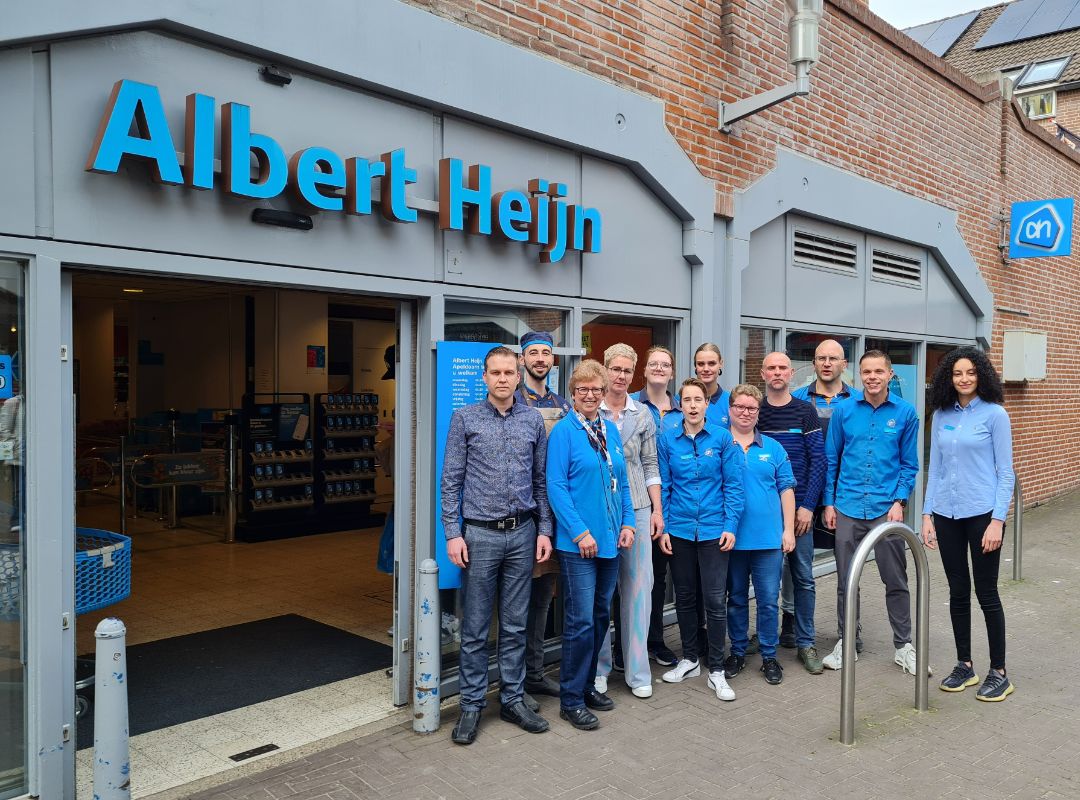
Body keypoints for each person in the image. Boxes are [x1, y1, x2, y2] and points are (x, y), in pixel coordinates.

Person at [441, 345, 553, 745]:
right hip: (480, 536)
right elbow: (450, 480)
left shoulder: (532, 419)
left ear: (518, 376)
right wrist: (453, 533)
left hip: (523, 533)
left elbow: (540, 481)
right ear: (484, 377)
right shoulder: (464, 418)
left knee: (515, 624)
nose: (503, 379)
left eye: (509, 372)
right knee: (474, 628)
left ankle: (512, 699)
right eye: (496, 372)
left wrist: (545, 530)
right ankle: (471, 705)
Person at [821, 350, 928, 676]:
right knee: (846, 581)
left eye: (878, 371)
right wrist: (829, 502)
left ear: (889, 374)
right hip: (847, 505)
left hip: (886, 509)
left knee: (895, 579)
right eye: (866, 372)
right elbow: (831, 460)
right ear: (859, 375)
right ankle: (848, 642)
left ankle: (903, 646)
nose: (872, 377)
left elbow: (909, 465)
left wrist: (899, 502)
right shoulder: (843, 411)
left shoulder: (906, 413)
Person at [546, 359, 636, 730]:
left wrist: (628, 522)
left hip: (610, 541)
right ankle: (570, 700)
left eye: (596, 389)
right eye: (582, 389)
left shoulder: (609, 430)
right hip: (579, 545)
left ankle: (586, 687)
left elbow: (623, 482)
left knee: (600, 617)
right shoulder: (564, 433)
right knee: (580, 621)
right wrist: (580, 532)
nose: (590, 395)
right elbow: (556, 487)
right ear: (573, 393)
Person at [922, 347, 1015, 701]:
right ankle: (965, 665)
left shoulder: (995, 415)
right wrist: (927, 515)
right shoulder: (941, 414)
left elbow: (1006, 473)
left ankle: (999, 671)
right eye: (958, 373)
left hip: (982, 516)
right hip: (946, 515)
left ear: (981, 375)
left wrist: (997, 521)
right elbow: (935, 468)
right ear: (949, 377)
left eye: (971, 372)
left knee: (986, 593)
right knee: (957, 592)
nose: (964, 379)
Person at [657, 378, 744, 701]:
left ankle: (717, 669)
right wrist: (665, 528)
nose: (693, 405)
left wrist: (730, 525)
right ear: (679, 405)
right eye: (687, 400)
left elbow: (733, 486)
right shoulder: (667, 439)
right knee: (684, 596)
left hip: (713, 530)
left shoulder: (722, 438)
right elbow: (665, 486)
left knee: (715, 600)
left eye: (698, 399)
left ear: (707, 404)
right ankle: (691, 659)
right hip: (679, 530)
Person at [594, 343, 663, 699]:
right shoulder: (591, 408)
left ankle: (637, 672)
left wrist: (657, 511)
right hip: (599, 511)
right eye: (615, 369)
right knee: (601, 592)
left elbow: (651, 465)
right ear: (605, 369)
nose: (620, 376)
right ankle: (599, 668)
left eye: (627, 370)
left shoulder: (643, 414)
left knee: (638, 591)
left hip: (636, 509)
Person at [755, 352, 826, 674]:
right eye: (771, 368)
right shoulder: (756, 412)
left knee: (804, 578)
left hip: (799, 512)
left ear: (791, 373)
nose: (777, 372)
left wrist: (808, 506)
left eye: (782, 368)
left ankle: (805, 642)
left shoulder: (805, 411)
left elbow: (818, 461)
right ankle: (765, 637)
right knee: (765, 582)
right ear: (763, 373)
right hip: (764, 514)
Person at [513, 330, 572, 704]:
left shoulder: (563, 406)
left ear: (553, 360)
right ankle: (514, 680)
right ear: (522, 359)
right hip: (521, 517)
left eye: (545, 353)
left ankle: (534, 674)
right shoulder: (512, 401)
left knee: (541, 601)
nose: (539, 359)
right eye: (533, 352)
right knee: (514, 604)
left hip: (553, 518)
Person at [791, 339, 862, 647]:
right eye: (821, 358)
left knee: (848, 569)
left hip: (844, 497)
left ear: (844, 364)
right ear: (814, 363)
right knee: (795, 567)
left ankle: (849, 632)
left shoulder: (858, 401)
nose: (827, 363)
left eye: (834, 358)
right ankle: (791, 627)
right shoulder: (796, 399)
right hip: (804, 496)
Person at [723, 384, 796, 685]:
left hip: (768, 540)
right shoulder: (720, 443)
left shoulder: (773, 448)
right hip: (732, 539)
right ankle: (737, 652)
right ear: (730, 409)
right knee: (736, 599)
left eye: (751, 408)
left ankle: (769, 656)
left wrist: (788, 530)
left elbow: (786, 489)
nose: (745, 412)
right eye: (740, 406)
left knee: (768, 600)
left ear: (758, 412)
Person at [634, 345, 680, 666]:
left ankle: (655, 640)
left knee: (660, 577)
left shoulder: (683, 409)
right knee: (635, 578)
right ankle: (627, 644)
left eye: (665, 364)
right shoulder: (632, 406)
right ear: (645, 370)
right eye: (654, 363)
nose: (659, 368)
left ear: (672, 372)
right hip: (639, 504)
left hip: (674, 505)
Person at [663, 342, 730, 432]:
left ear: (720, 364)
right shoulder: (679, 400)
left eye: (711, 363)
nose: (706, 369)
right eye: (701, 364)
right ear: (695, 366)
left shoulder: (730, 402)